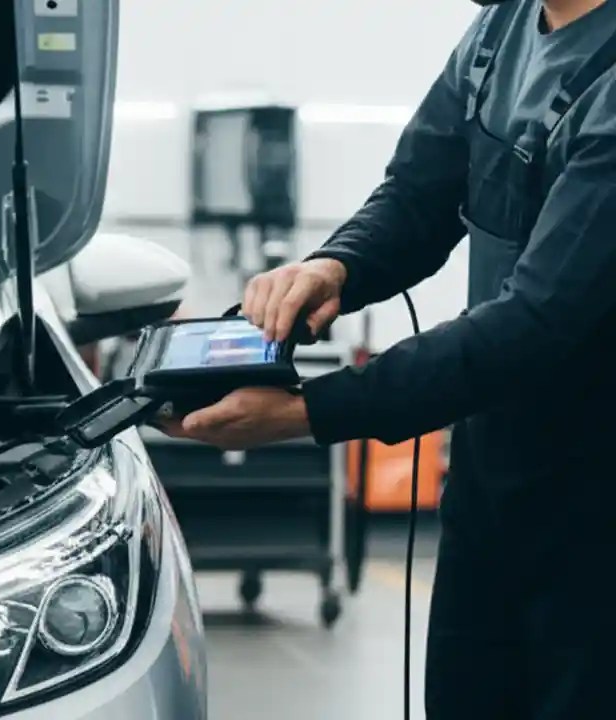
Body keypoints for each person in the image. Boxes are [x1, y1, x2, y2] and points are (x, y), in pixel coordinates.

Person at [168, 1, 616, 718]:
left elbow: (538, 321)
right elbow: (417, 197)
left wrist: (309, 414)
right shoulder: (497, 33)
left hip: (596, 518)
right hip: (491, 485)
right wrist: (334, 268)